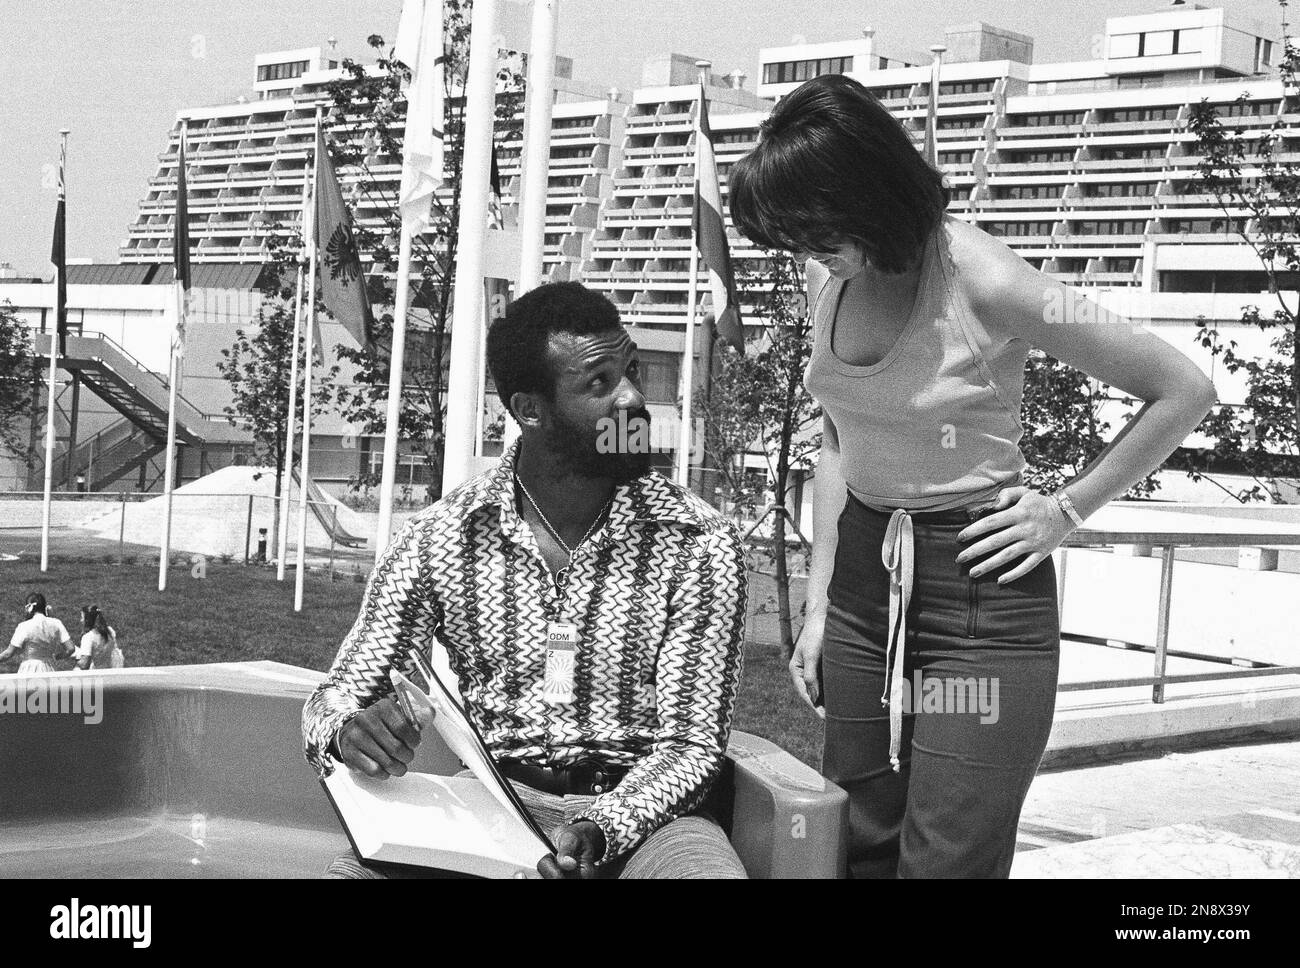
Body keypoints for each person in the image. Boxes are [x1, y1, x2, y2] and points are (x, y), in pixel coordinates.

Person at [727, 74, 1218, 878]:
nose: (808, 257)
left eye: (817, 235)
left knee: (947, 861)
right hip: (859, 576)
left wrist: (1065, 510)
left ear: (870, 193)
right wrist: (820, 604)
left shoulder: (988, 280)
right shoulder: (829, 277)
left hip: (978, 589)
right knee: (860, 842)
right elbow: (836, 439)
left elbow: (1183, 389)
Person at [303, 281, 749, 879]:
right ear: (530, 410)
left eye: (632, 371)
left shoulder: (700, 541)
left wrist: (602, 828)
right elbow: (333, 699)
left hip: (651, 823)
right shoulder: (443, 537)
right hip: (492, 809)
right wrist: (350, 732)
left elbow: (693, 746)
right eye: (600, 383)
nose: (634, 400)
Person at [1, 593, 75, 674]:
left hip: (29, 669)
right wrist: (57, 657)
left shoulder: (24, 626)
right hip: (49, 668)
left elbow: (8, 653)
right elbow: (71, 648)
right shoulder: (57, 623)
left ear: (29, 608)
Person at [74, 605, 124, 670]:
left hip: (98, 675)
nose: (81, 620)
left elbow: (84, 665)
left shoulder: (88, 637)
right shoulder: (110, 631)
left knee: (76, 669)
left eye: (82, 617)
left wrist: (74, 656)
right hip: (111, 670)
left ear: (87, 620)